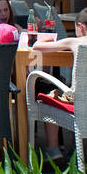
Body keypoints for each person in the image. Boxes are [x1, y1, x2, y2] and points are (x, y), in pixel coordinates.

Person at [32, 9, 87, 163]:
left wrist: (47, 36)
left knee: (50, 92)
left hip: (79, 105)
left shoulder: (75, 41)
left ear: (80, 27)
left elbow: (37, 47)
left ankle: (53, 148)